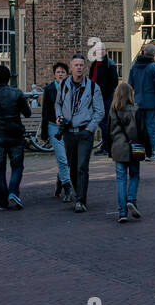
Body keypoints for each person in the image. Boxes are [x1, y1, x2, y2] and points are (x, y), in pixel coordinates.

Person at [54, 54, 105, 213]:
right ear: (71, 67)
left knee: (82, 166)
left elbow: (100, 111)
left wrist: (90, 128)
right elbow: (58, 104)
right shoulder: (63, 85)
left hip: (84, 132)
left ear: (85, 67)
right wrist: (59, 117)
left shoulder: (92, 87)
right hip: (68, 132)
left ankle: (81, 200)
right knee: (73, 167)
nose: (79, 67)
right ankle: (78, 194)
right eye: (76, 65)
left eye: (81, 65)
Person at [0, 64, 32, 209]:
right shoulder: (17, 93)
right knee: (17, 167)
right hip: (15, 135)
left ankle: (3, 202)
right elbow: (27, 113)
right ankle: (13, 192)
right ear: (9, 78)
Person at [108, 81, 142, 223]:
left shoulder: (112, 111)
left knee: (121, 180)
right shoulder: (136, 110)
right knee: (134, 175)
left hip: (117, 147)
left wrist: (109, 149)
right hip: (134, 147)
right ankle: (131, 200)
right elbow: (141, 131)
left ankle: (122, 212)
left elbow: (108, 131)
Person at [40, 61, 73, 200]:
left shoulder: (72, 88)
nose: (60, 74)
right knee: (62, 157)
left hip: (68, 127)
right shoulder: (49, 89)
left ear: (67, 74)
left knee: (69, 158)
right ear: (54, 74)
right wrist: (44, 131)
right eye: (58, 72)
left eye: (63, 72)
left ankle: (60, 181)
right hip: (54, 125)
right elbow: (45, 111)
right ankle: (67, 187)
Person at [128, 41, 155, 160]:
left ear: (144, 52)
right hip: (151, 103)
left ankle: (139, 153)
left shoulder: (134, 66)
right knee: (151, 128)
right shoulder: (153, 67)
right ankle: (151, 154)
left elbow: (130, 85)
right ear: (154, 54)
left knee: (139, 128)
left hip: (138, 102)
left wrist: (130, 101)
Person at [88, 43, 119, 155]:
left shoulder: (109, 64)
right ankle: (105, 145)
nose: (100, 52)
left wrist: (105, 92)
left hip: (105, 98)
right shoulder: (94, 64)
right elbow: (91, 79)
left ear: (105, 51)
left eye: (102, 50)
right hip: (94, 97)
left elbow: (114, 82)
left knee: (105, 122)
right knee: (101, 122)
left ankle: (106, 147)